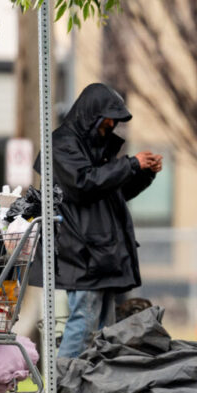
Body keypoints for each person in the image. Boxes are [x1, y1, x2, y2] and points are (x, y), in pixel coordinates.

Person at [48, 83, 161, 358]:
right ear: (92, 115)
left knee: (103, 330)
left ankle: (88, 389)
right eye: (108, 118)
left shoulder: (99, 149)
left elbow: (114, 192)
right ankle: (60, 388)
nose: (112, 124)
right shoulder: (63, 144)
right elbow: (83, 184)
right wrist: (131, 164)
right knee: (84, 324)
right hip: (83, 252)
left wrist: (143, 173)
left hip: (102, 254)